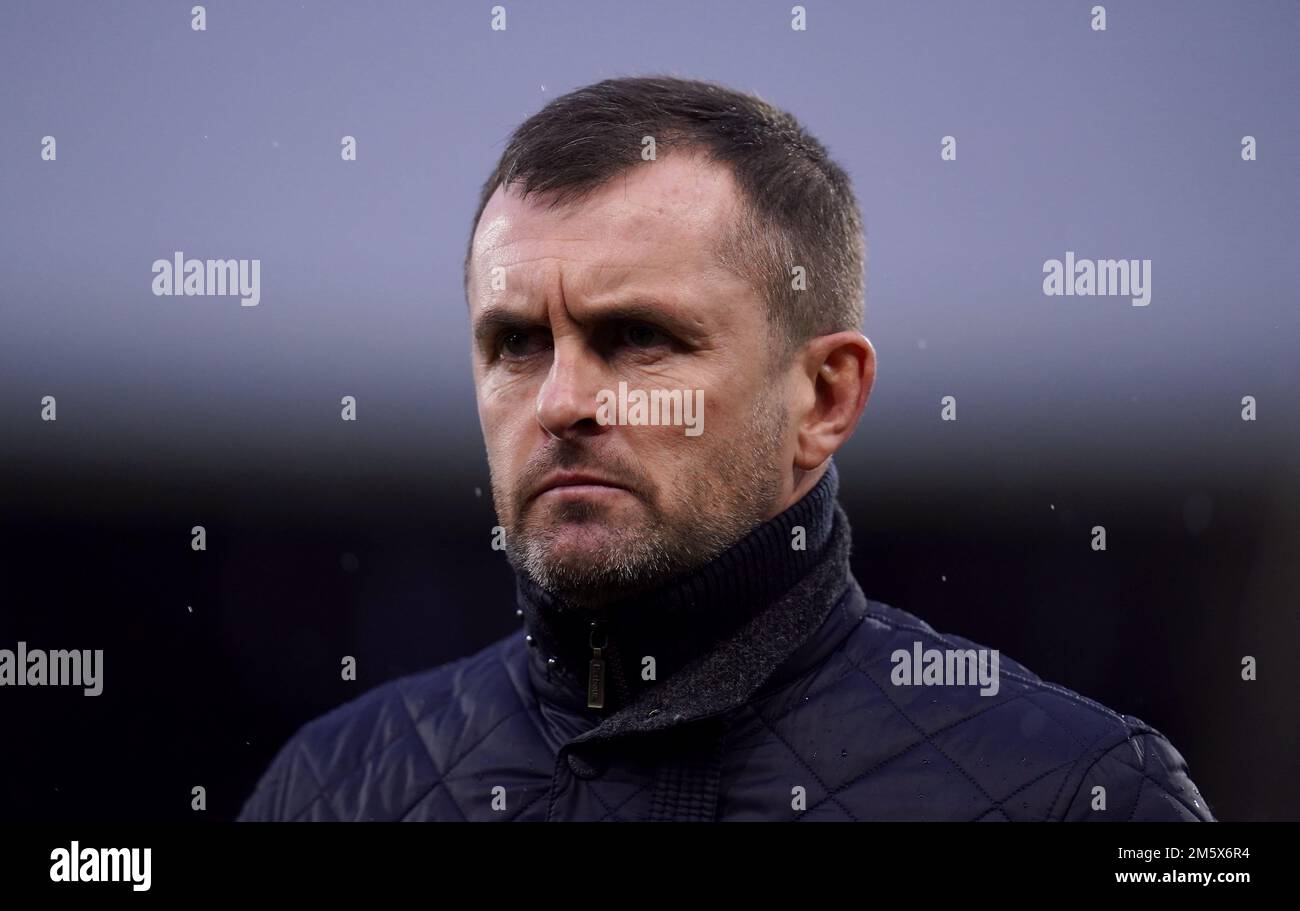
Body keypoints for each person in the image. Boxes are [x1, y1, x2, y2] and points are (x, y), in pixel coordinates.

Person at [238, 76, 1213, 821]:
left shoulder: (1073, 792)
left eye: (638, 338)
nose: (563, 401)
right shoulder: (332, 787)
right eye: (516, 343)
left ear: (824, 397)